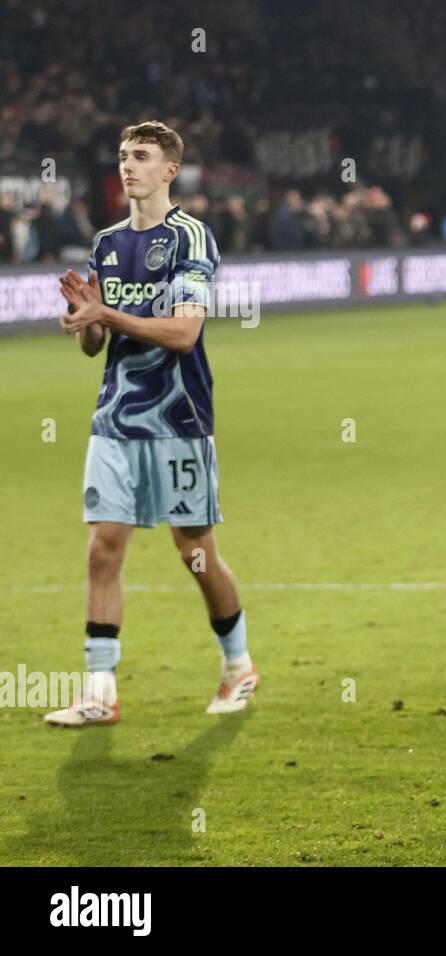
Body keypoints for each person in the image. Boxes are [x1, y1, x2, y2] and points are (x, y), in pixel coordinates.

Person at [47, 120, 258, 726]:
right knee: (103, 548)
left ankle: (238, 665)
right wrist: (84, 317)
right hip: (116, 415)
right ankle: (99, 692)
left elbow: (184, 334)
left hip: (179, 417)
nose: (127, 165)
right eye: (122, 155)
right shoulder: (107, 243)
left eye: (141, 156)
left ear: (170, 170)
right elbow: (95, 346)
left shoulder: (192, 238)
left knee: (194, 552)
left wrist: (106, 312)